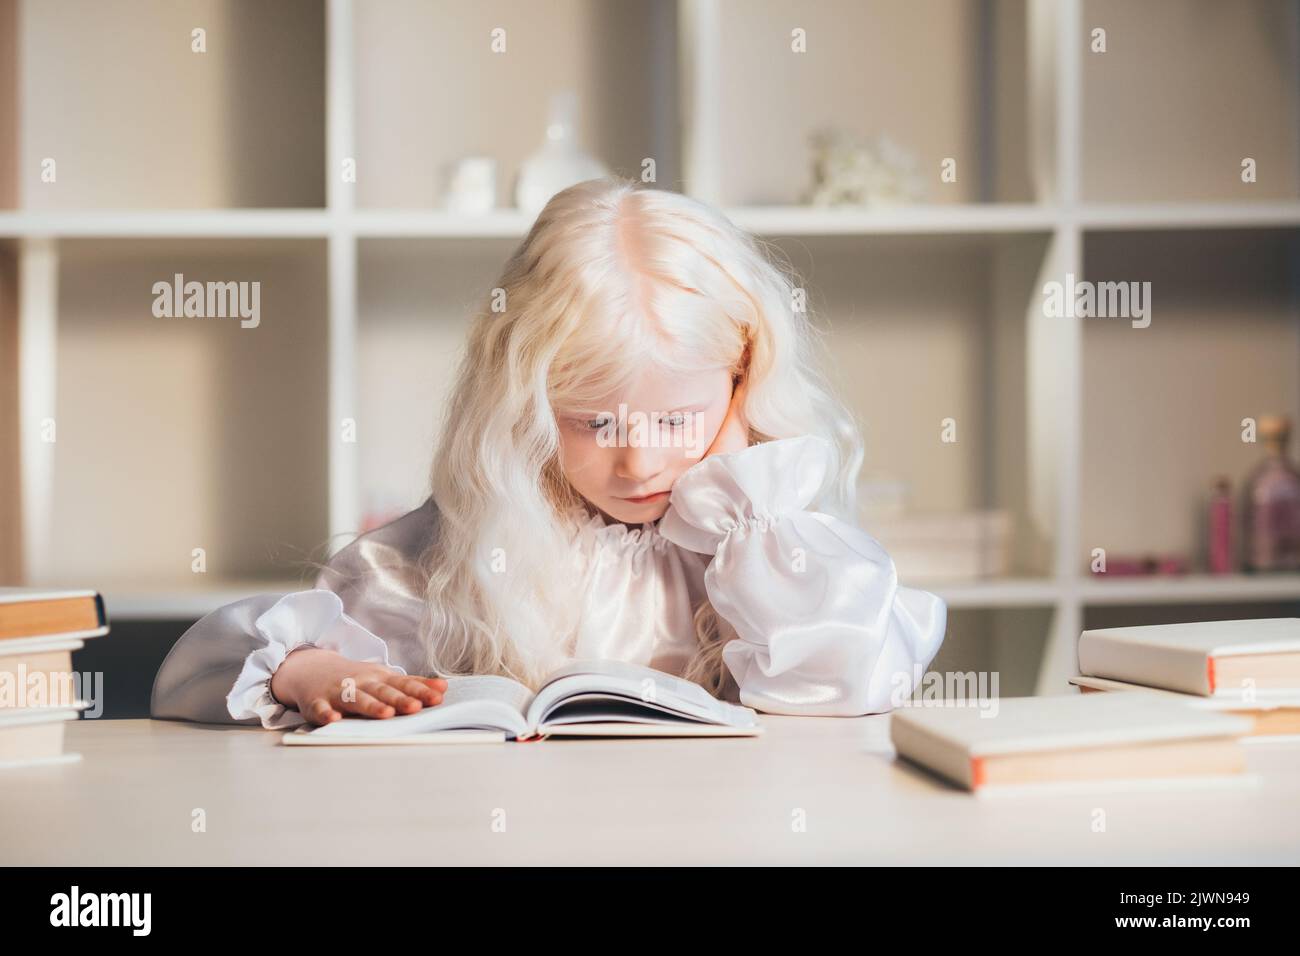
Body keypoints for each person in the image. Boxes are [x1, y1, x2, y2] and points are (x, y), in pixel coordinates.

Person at [151, 177, 947, 731]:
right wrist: (305, 673)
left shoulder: (772, 551)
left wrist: (754, 507)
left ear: (743, 383)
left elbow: (849, 682)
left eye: (677, 421)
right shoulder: (452, 551)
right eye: (596, 423)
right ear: (524, 405)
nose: (638, 465)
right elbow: (195, 675)